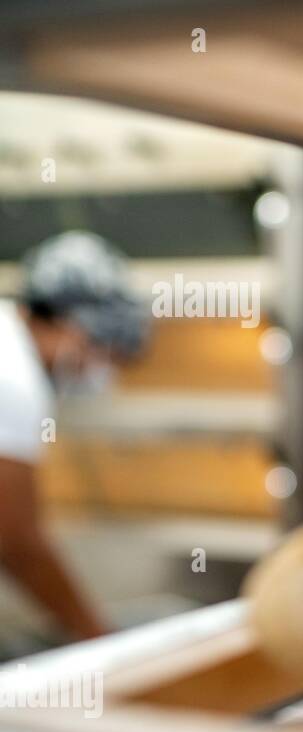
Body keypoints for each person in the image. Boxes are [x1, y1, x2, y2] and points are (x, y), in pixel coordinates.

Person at [0, 231, 151, 642]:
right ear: (66, 326)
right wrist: (95, 637)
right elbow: (16, 541)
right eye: (98, 349)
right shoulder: (12, 377)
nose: (98, 369)